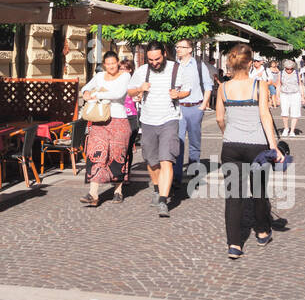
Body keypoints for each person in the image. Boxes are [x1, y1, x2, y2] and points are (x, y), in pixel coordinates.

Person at [215, 42, 283, 260]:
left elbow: (218, 118)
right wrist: (273, 146)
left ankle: (234, 244)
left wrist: (228, 133)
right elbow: (265, 116)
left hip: (231, 146)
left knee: (234, 196)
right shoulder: (259, 85)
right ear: (250, 62)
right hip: (257, 147)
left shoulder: (223, 88)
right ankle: (262, 231)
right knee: (259, 191)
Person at [126, 42, 181, 217]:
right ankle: (157, 188)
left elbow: (187, 90)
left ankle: (164, 200)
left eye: (157, 59)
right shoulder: (142, 71)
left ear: (164, 54)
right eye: (151, 60)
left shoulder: (176, 69)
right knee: (151, 160)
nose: (154, 62)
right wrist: (140, 89)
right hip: (148, 120)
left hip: (169, 119)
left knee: (167, 160)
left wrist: (178, 94)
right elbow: (130, 92)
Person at [79, 50, 133, 206]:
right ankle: (93, 194)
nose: (111, 66)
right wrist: (88, 93)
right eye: (108, 64)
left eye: (113, 63)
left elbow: (118, 93)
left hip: (119, 120)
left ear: (118, 63)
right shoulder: (99, 76)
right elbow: (85, 89)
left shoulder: (125, 76)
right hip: (99, 120)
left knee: (117, 155)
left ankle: (118, 190)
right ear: (104, 65)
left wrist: (99, 95)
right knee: (96, 153)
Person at [171, 39, 214, 194]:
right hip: (178, 108)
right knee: (178, 142)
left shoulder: (198, 65)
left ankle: (194, 174)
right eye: (177, 47)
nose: (178, 49)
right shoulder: (173, 66)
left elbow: (208, 85)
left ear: (190, 49)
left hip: (195, 107)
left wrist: (203, 105)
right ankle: (176, 177)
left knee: (195, 143)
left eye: (181, 47)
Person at [278, 59, 303, 135]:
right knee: (284, 113)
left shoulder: (296, 73)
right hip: (284, 94)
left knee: (295, 112)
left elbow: (300, 84)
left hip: (295, 94)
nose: (289, 70)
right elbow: (278, 85)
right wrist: (277, 97)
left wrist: (302, 96)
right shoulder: (281, 73)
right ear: (285, 68)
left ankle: (292, 130)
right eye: (287, 69)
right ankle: (286, 128)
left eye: (291, 69)